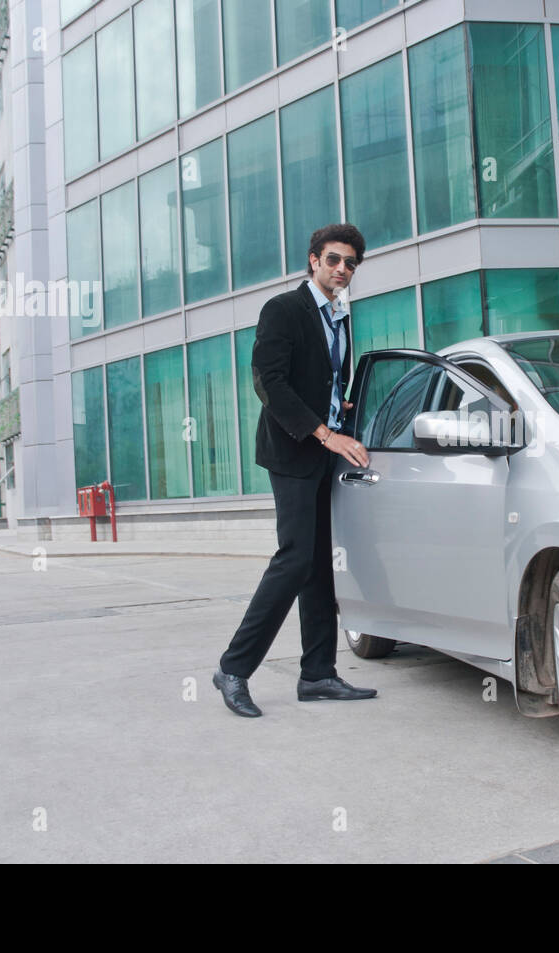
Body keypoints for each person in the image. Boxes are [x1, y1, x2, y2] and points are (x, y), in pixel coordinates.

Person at [214, 224, 377, 717]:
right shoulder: (283, 309)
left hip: (328, 453)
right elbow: (270, 382)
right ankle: (234, 668)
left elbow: (329, 380)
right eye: (333, 260)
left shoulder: (341, 318)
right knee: (294, 559)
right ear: (313, 261)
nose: (342, 270)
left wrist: (344, 414)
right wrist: (325, 433)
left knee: (320, 563)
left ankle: (318, 674)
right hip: (293, 451)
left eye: (350, 263)